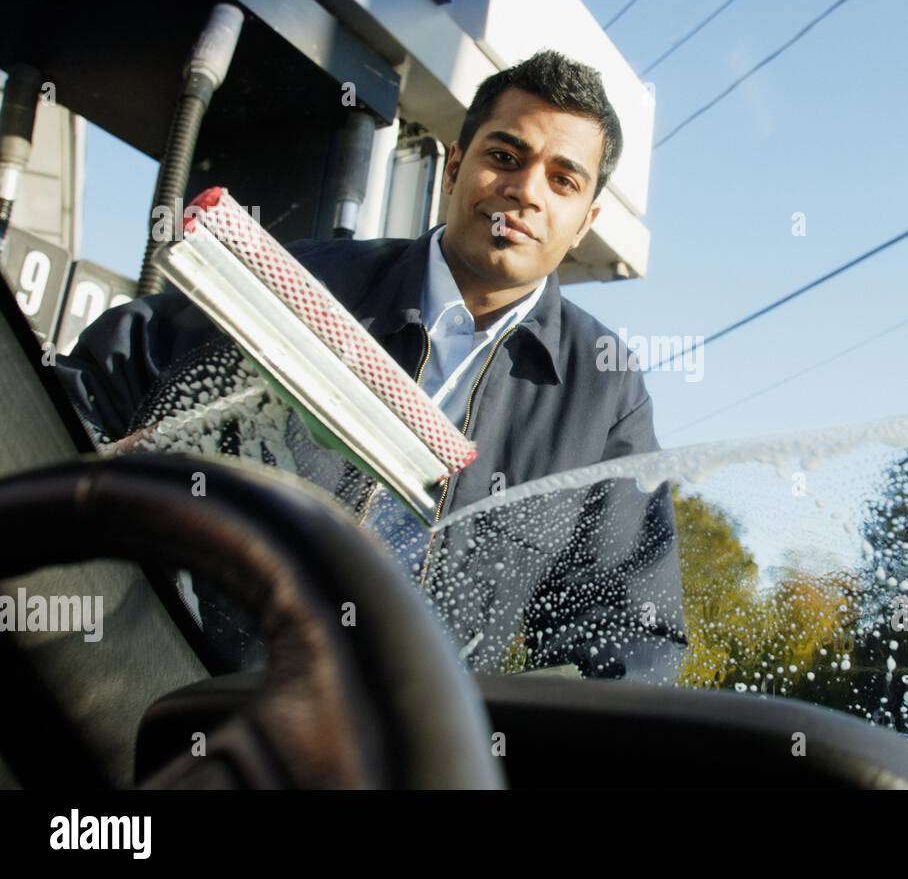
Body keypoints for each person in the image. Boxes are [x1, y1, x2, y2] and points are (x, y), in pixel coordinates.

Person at [55, 50, 688, 682]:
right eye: (505, 157)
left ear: (585, 223)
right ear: (455, 164)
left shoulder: (605, 397)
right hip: (190, 705)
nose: (525, 192)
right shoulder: (300, 284)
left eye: (563, 181)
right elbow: (82, 397)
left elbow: (629, 637)